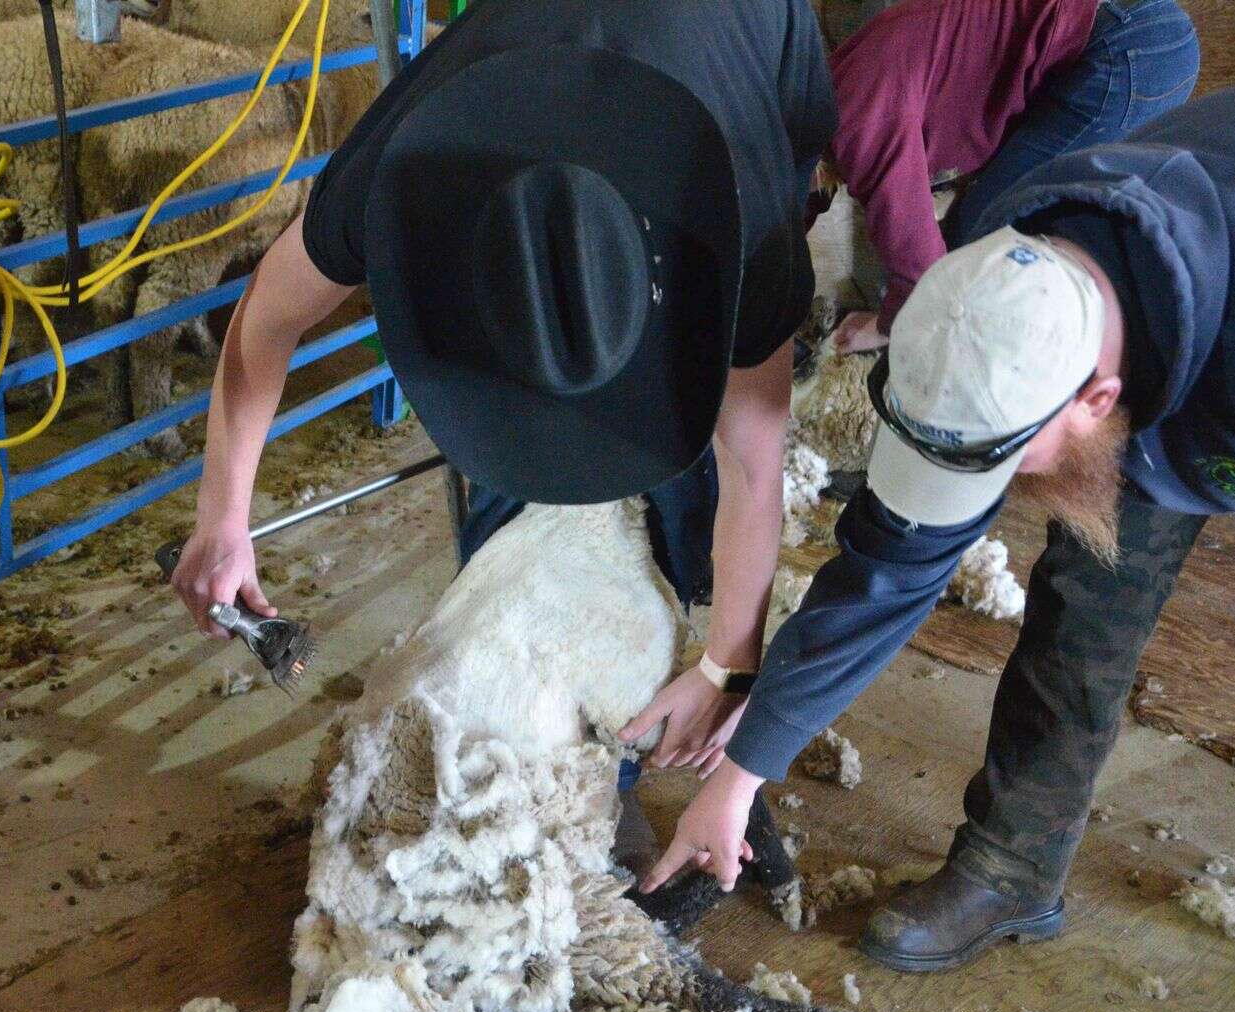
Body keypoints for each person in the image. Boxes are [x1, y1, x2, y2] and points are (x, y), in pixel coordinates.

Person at [640, 78, 1235, 972]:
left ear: (1097, 398)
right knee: (1088, 590)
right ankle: (1016, 870)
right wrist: (739, 774)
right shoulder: (1012, 261)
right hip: (1195, 316)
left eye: (1000, 456)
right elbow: (896, 562)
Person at [169, 0, 837, 870]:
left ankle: (690, 719)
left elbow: (752, 467)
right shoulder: (409, 166)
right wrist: (223, 515)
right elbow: (268, 315)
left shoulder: (744, 229)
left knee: (691, 473)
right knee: (512, 463)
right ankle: (550, 728)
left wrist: (728, 673)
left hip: (745, 56)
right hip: (529, 96)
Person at [822, 0, 1199, 355]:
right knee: (993, 228)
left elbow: (921, 267)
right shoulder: (839, 77)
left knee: (982, 236)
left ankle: (971, 378)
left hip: (1126, 50)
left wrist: (886, 327)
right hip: (1144, 33)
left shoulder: (860, 114)